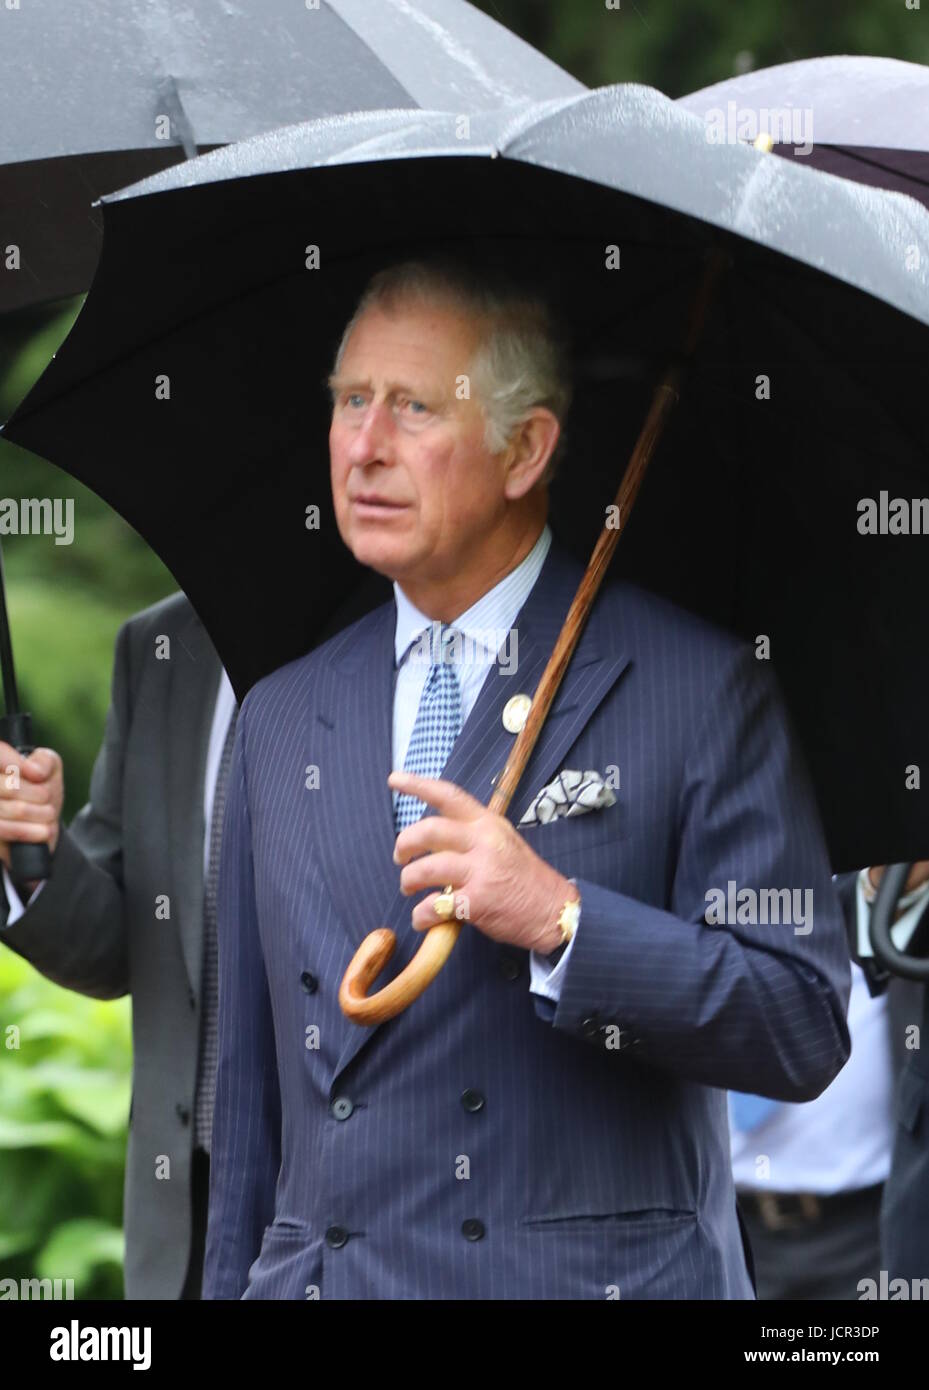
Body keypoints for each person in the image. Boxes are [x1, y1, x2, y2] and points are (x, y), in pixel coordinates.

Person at [202, 256, 851, 1301]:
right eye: (349, 401)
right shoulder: (279, 713)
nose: (363, 447)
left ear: (525, 450)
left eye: (412, 407)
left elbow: (799, 1020)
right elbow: (244, 1112)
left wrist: (561, 919)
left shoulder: (700, 684)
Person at [0, 593, 234, 1299]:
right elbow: (116, 941)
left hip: (359, 1215)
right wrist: (32, 854)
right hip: (187, 1217)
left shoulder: (397, 623)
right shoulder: (160, 644)